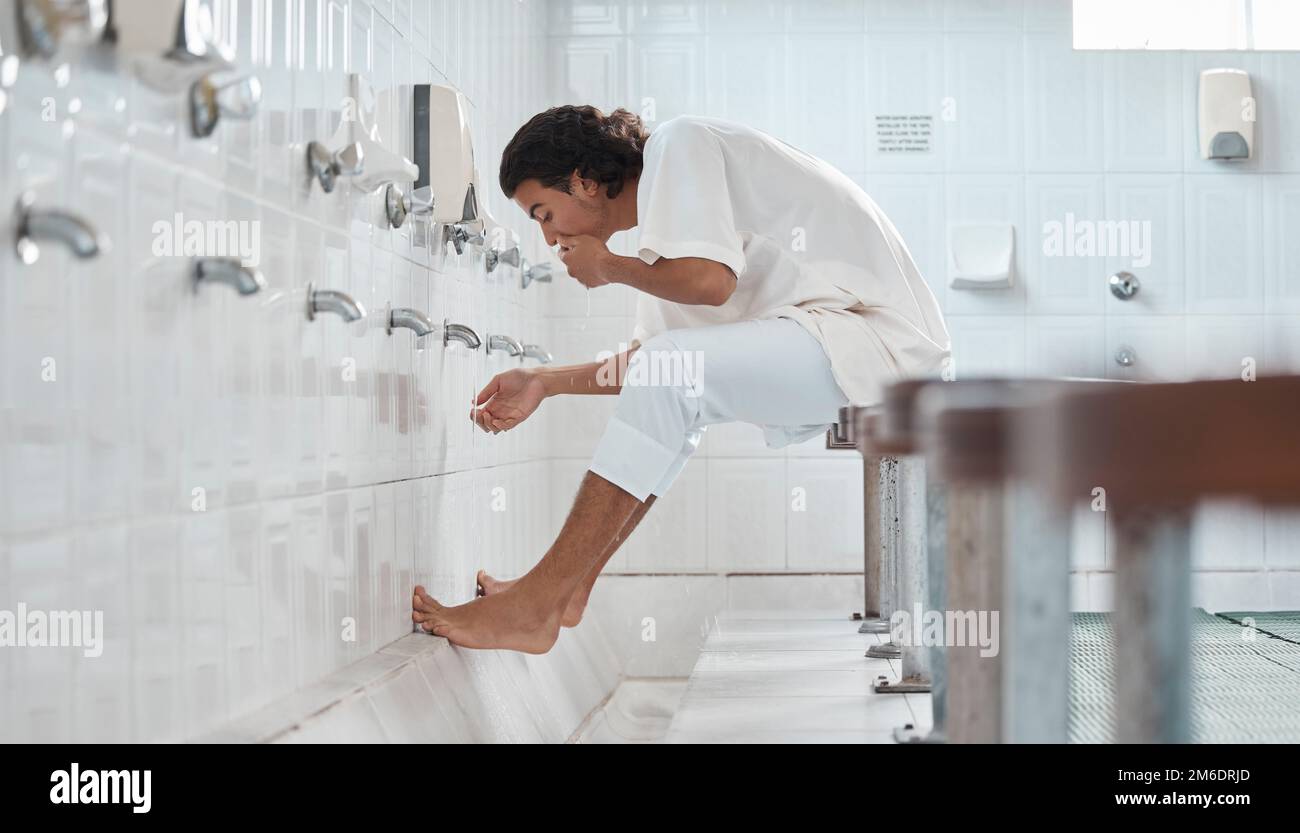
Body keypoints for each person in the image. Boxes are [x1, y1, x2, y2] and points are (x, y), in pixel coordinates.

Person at [412, 106, 950, 653]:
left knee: (674, 383)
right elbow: (650, 365)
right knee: (671, 382)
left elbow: (710, 284)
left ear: (584, 182)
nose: (549, 238)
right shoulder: (672, 225)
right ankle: (569, 590)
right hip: (835, 338)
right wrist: (544, 381)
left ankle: (535, 606)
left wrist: (611, 266)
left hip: (880, 340)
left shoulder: (679, 144)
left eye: (544, 214)